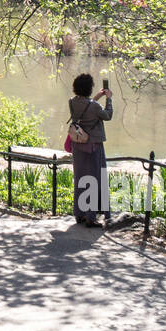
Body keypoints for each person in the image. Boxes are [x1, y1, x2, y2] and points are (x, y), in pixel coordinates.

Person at [68, 72, 113, 228]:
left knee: (80, 178)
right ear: (89, 88)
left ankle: (79, 214)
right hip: (93, 146)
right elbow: (107, 115)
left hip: (78, 145)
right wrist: (108, 98)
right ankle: (91, 218)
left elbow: (86, 107)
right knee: (95, 179)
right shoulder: (94, 106)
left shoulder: (72, 102)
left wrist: (97, 97)